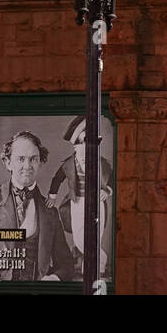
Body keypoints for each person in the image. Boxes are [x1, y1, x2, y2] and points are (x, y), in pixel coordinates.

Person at [0, 130, 75, 283]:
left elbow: (66, 264)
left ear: (40, 162)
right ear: (8, 163)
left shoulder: (50, 212)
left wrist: (54, 278)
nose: (27, 166)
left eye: (33, 159)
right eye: (21, 159)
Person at [47, 116, 113, 279]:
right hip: (77, 203)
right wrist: (52, 196)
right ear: (75, 145)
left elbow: (111, 179)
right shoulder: (68, 164)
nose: (86, 147)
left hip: (97, 204)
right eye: (82, 143)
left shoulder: (102, 163)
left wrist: (108, 190)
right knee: (79, 239)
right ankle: (97, 261)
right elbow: (57, 179)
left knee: (94, 235)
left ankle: (97, 268)